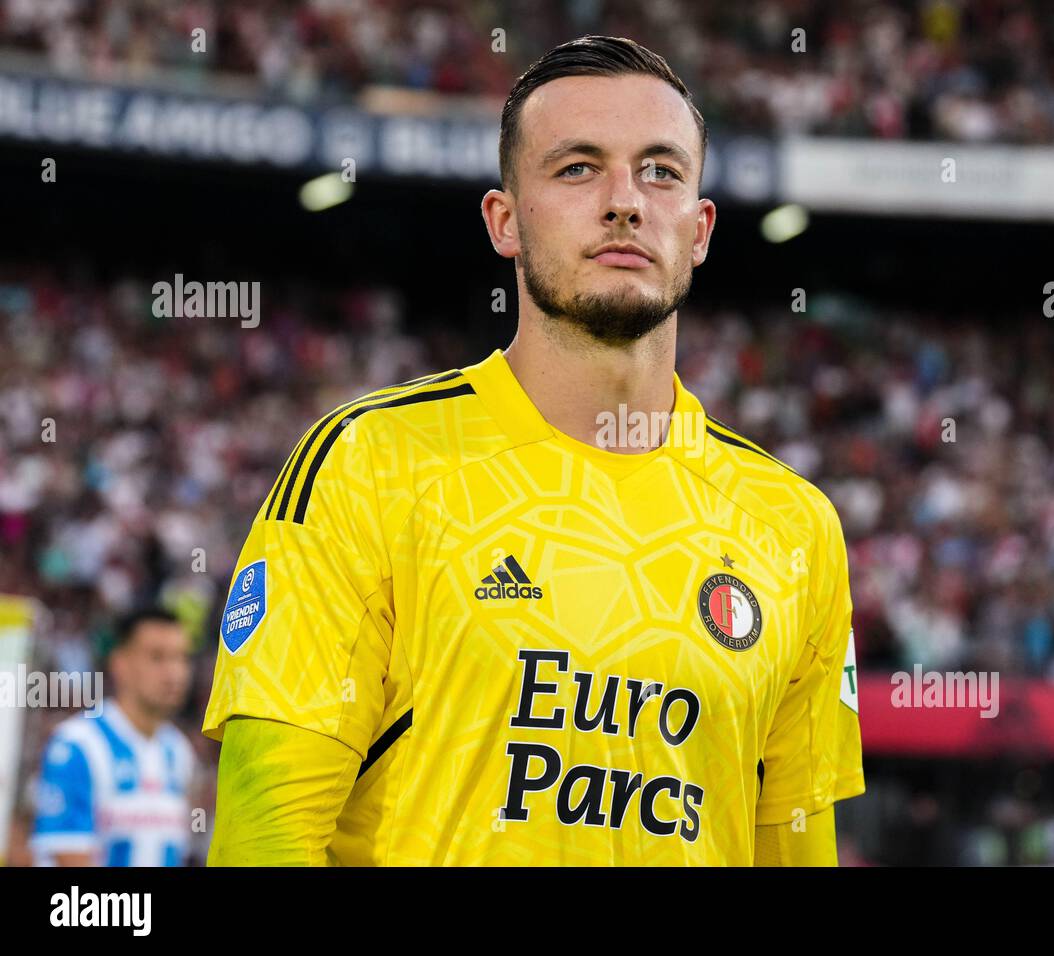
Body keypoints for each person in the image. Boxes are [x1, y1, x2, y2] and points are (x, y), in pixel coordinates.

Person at [203, 35, 863, 865]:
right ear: (504, 221)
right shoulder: (369, 464)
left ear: (699, 230)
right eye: (578, 168)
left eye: (660, 171)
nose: (626, 201)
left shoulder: (793, 527)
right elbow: (266, 839)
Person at [30, 608, 196, 866]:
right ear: (120, 663)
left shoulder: (179, 752)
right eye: (157, 657)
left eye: (181, 658)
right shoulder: (77, 745)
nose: (174, 673)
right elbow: (68, 856)